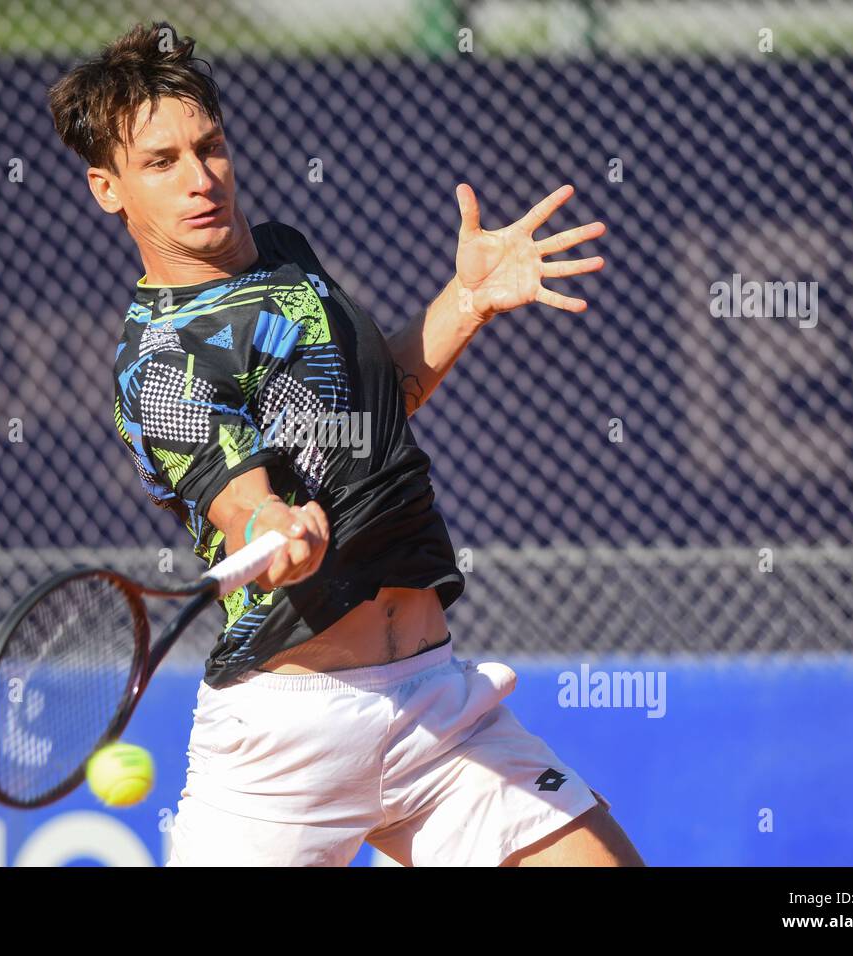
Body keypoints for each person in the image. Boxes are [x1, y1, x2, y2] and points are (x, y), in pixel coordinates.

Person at [47, 20, 644, 867]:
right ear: (108, 188)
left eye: (209, 146)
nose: (200, 178)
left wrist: (465, 301)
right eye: (161, 163)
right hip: (288, 740)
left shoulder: (286, 257)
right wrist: (273, 531)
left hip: (436, 706)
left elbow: (375, 407)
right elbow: (242, 500)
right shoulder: (163, 363)